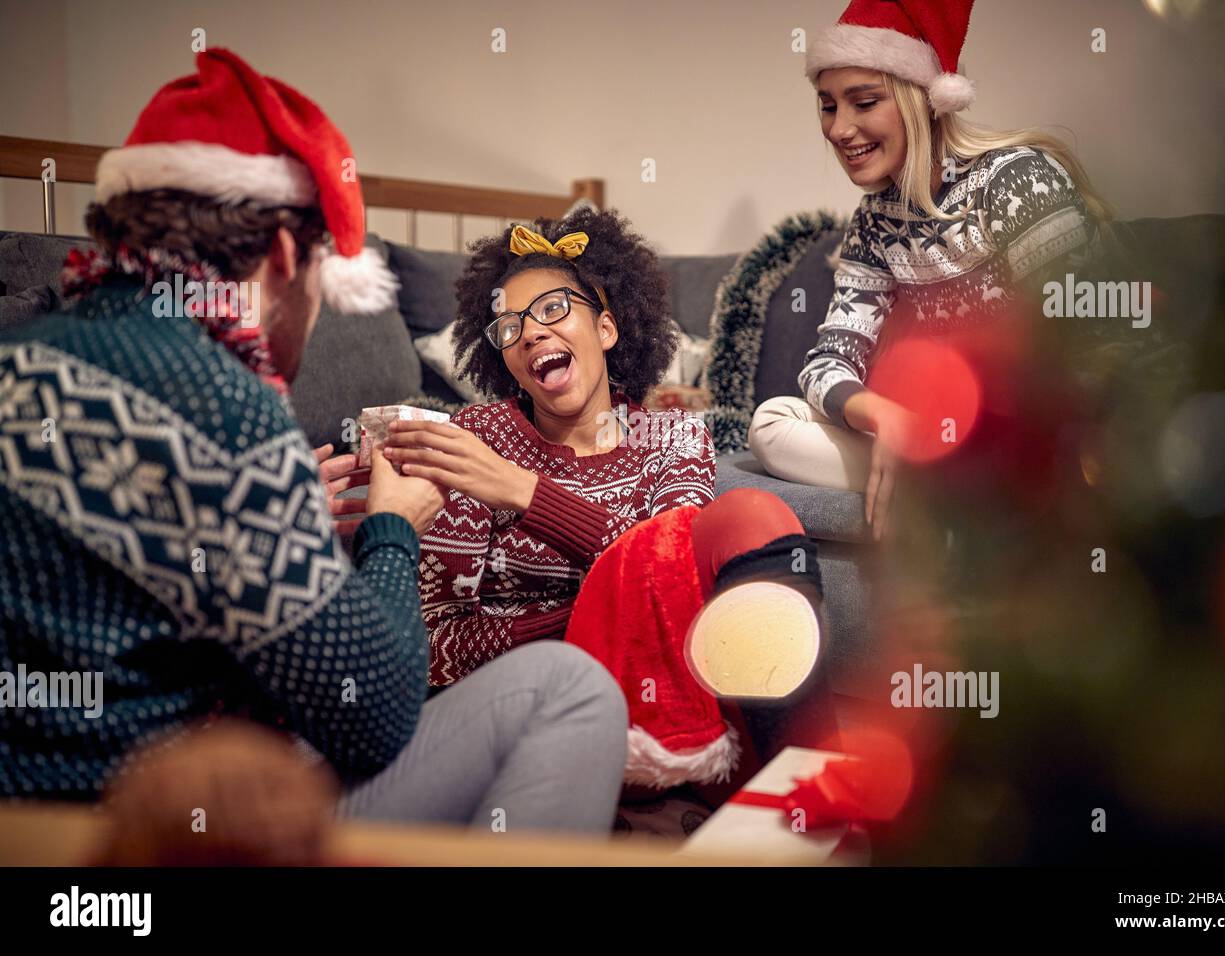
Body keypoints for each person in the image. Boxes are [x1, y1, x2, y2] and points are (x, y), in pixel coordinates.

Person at [0, 48, 628, 849]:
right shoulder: (226, 414)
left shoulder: (18, 360)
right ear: (286, 258)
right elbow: (372, 714)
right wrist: (390, 531)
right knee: (570, 691)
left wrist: (292, 533)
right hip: (151, 831)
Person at [336, 210, 834, 788]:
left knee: (749, 518)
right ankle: (803, 788)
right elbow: (435, 645)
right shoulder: (477, 440)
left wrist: (524, 492)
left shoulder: (671, 437)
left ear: (605, 329)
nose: (530, 333)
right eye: (509, 327)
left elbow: (671, 572)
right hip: (542, 693)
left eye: (552, 309)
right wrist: (582, 625)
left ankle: (801, 793)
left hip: (668, 672)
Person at [748, 0, 1110, 541]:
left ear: (922, 101)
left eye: (864, 102)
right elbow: (827, 363)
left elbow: (1083, 348)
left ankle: (964, 510)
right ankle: (949, 505)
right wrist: (887, 419)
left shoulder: (1018, 181)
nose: (840, 129)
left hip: (1036, 438)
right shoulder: (874, 221)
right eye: (827, 106)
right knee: (772, 423)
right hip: (933, 445)